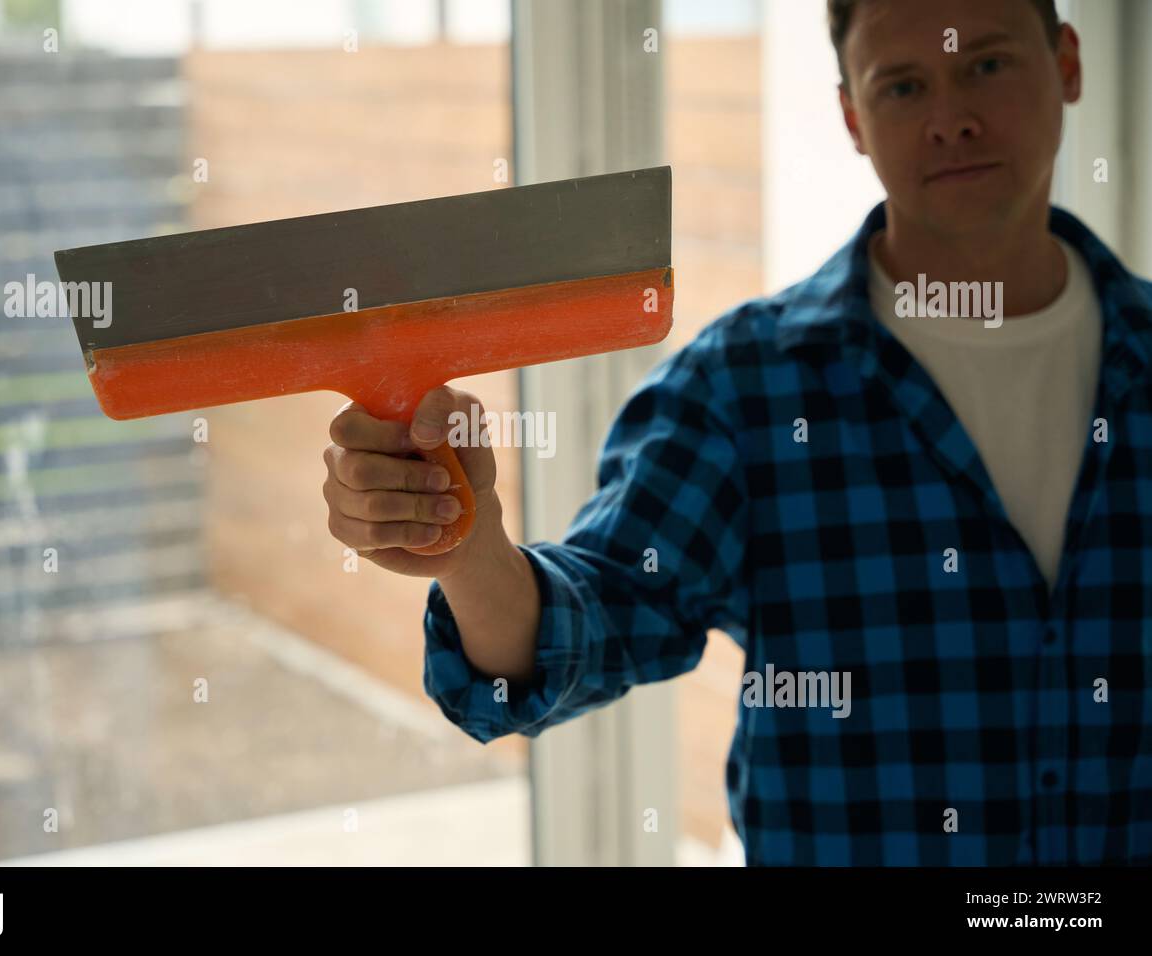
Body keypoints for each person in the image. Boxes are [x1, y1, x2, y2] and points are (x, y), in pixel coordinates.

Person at [322, 0, 1152, 865]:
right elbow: (594, 619)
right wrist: (467, 550)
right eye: (903, 85)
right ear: (852, 118)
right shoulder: (745, 388)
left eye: (985, 65)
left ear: (1066, 64)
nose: (952, 119)